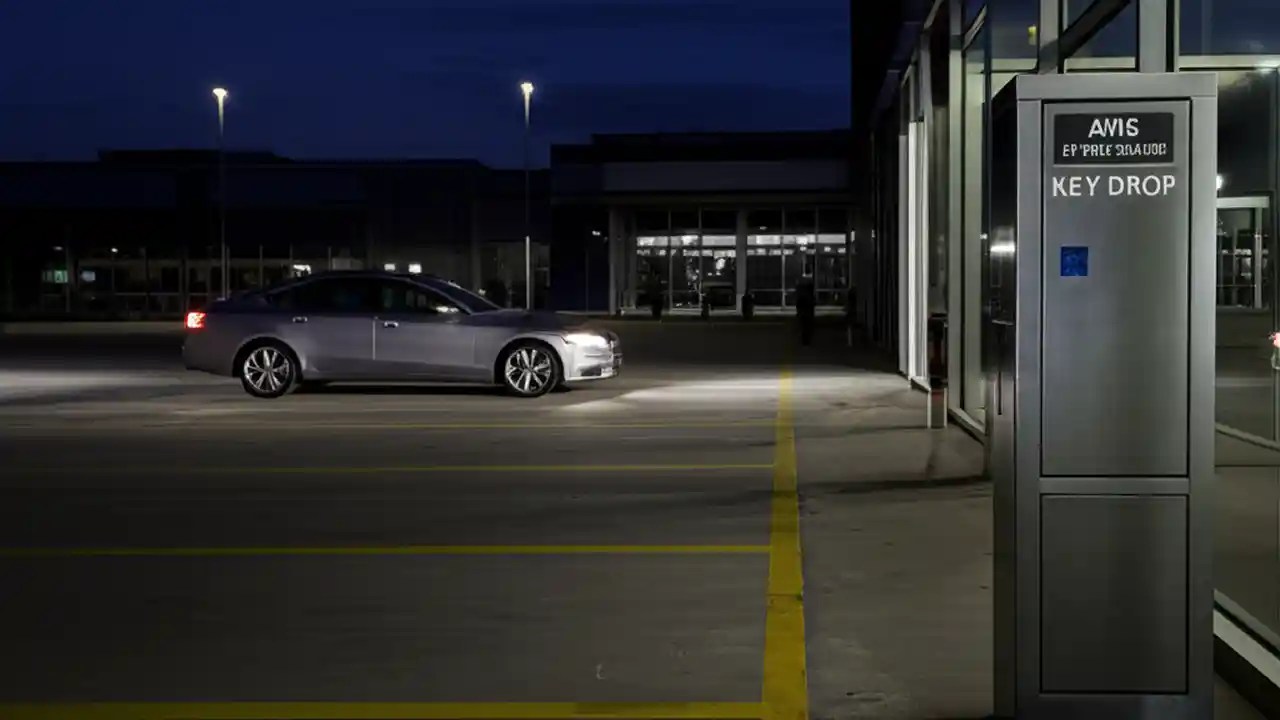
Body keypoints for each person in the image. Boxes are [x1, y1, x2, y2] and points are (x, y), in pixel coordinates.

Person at [796, 273, 816, 346]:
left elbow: (798, 304)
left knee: (804, 326)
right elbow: (813, 302)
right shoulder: (809, 294)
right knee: (808, 326)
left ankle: (805, 340)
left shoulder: (801, 293)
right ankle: (806, 340)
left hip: (803, 311)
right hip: (808, 311)